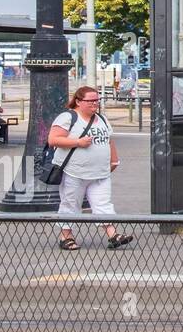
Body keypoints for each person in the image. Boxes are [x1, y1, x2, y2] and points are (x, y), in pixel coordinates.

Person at [50, 87, 133, 251]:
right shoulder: (68, 117)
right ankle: (66, 236)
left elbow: (108, 140)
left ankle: (112, 235)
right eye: (90, 101)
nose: (94, 104)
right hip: (74, 171)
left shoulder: (101, 119)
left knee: (103, 204)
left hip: (100, 172)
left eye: (96, 100)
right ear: (79, 101)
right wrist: (78, 142)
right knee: (70, 204)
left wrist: (114, 160)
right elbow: (53, 139)